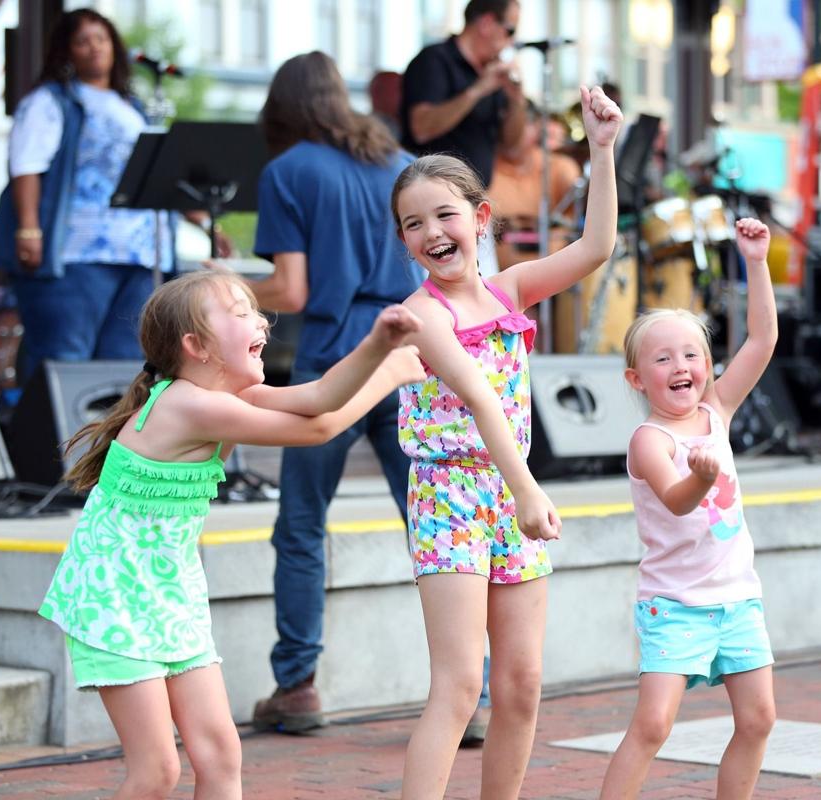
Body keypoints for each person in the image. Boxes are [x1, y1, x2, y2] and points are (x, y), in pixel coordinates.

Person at [37, 269, 425, 800]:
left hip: (169, 594)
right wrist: (390, 367)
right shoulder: (190, 404)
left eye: (254, 310)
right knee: (156, 773)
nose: (259, 319)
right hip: (113, 597)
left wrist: (380, 348)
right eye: (239, 313)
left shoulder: (227, 398)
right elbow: (317, 429)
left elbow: (318, 398)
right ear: (196, 347)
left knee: (221, 757)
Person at [392, 84, 622, 799]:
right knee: (460, 687)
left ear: (480, 219)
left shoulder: (510, 291)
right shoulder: (418, 314)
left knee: (521, 685)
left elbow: (596, 247)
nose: (431, 232)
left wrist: (602, 151)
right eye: (412, 224)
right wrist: (528, 489)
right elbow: (481, 397)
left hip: (509, 492)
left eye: (444, 215)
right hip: (449, 493)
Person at [237, 51, 423, 735]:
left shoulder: (288, 171)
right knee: (435, 524)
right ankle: (475, 691)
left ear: (281, 109)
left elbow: (290, 291)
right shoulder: (403, 162)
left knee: (302, 523)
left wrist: (222, 287)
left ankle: (297, 688)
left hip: (333, 364)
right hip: (410, 355)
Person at [598, 218, 778, 800]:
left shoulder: (717, 409)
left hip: (737, 598)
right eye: (663, 360)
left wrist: (755, 261)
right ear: (636, 378)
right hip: (674, 605)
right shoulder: (651, 440)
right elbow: (677, 502)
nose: (681, 367)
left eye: (692, 355)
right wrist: (700, 479)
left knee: (759, 720)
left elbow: (762, 341)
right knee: (653, 725)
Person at [0, 9, 224, 391]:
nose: (94, 47)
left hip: (140, 255)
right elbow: (26, 166)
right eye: (83, 40)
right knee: (65, 360)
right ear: (66, 51)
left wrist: (204, 220)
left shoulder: (132, 106)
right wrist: (29, 228)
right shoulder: (53, 102)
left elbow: (155, 173)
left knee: (125, 365)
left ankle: (107, 450)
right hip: (77, 255)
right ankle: (50, 449)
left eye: (102, 39)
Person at [400, 0, 528, 278]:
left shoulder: (492, 73)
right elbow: (422, 127)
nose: (512, 40)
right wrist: (478, 90)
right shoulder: (434, 61)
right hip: (430, 206)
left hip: (473, 204)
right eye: (509, 30)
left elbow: (513, 146)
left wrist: (516, 100)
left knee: (482, 297)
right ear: (486, 24)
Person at [488, 100, 583, 271]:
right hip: (496, 285)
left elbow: (577, 211)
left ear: (537, 127)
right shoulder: (481, 171)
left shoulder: (559, 167)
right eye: (503, 124)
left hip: (555, 281)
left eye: (518, 125)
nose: (509, 133)